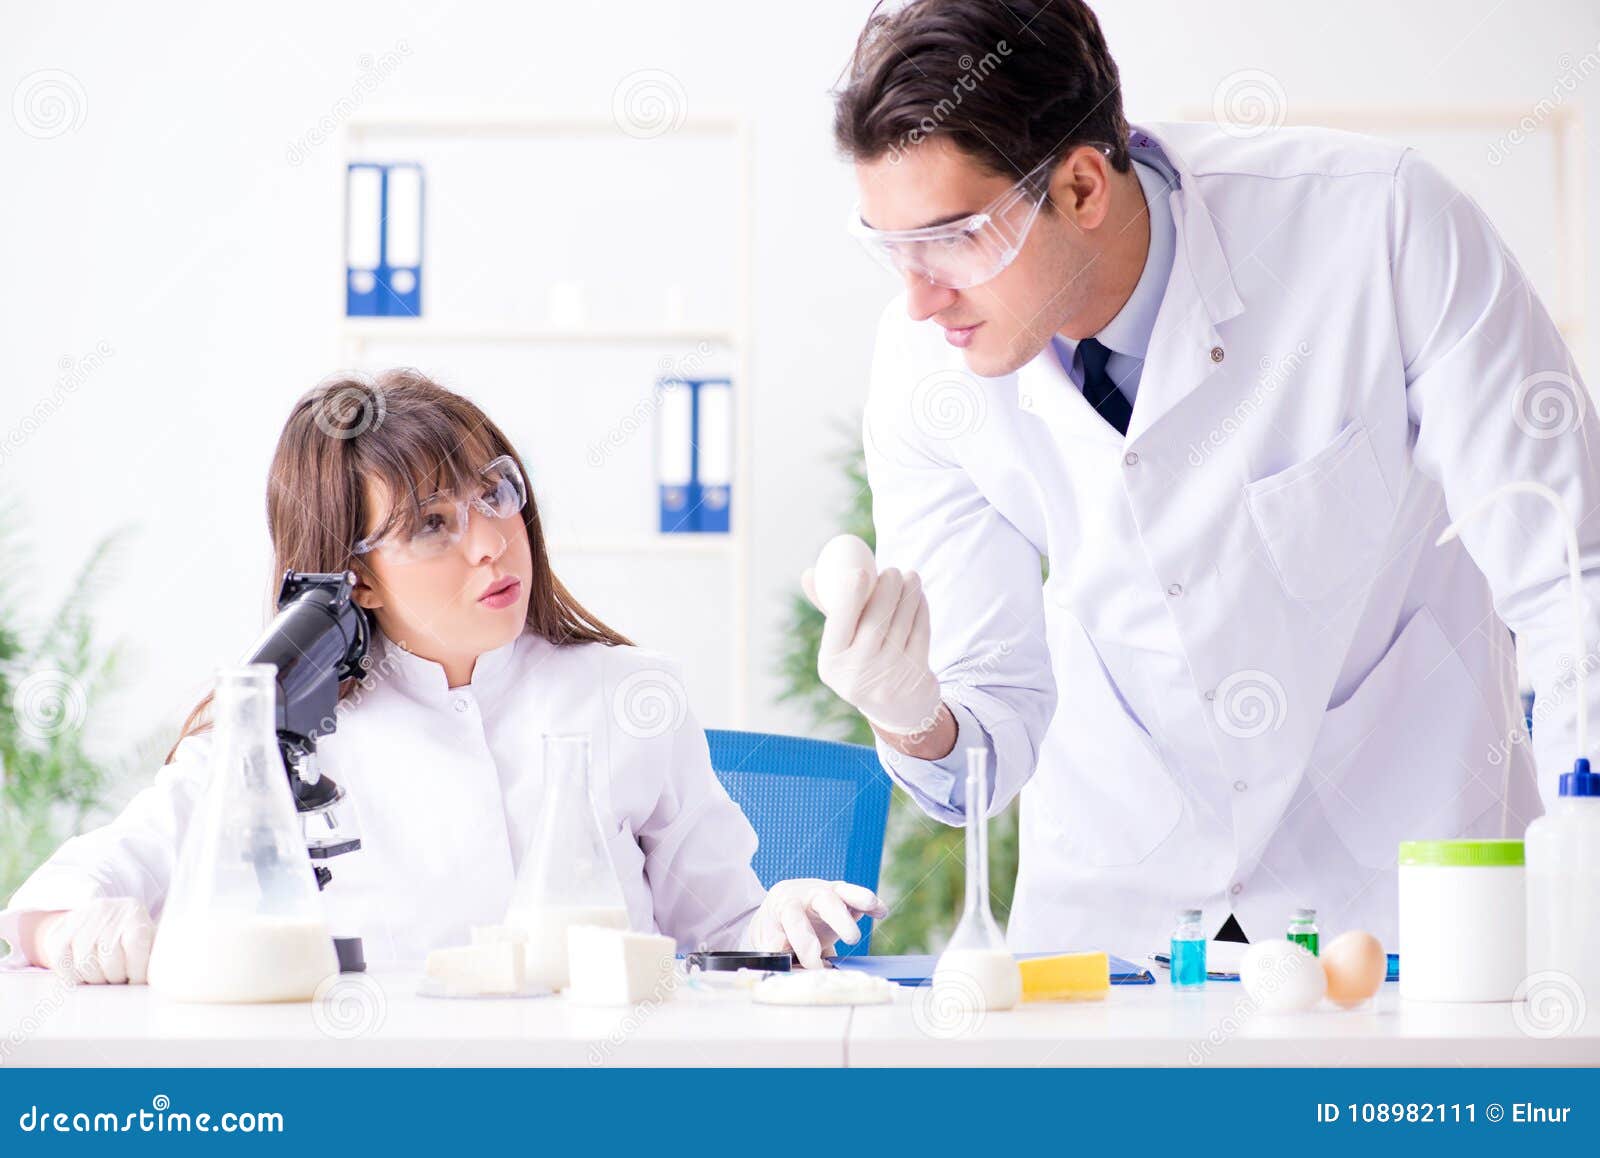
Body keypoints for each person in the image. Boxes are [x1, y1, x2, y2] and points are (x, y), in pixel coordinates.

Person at [809, 0, 1587, 956]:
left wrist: (1584, 849)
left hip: (1402, 896)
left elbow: (1568, 578)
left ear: (1083, 186)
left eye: (955, 239)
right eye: (892, 250)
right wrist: (913, 716)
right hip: (1120, 920)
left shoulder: (1379, 224)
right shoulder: (926, 366)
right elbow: (988, 741)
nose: (920, 299)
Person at [1, 369, 883, 982]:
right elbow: (54, 898)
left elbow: (721, 935)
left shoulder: (628, 696)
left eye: (495, 492)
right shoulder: (282, 732)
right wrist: (80, 929)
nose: (490, 539)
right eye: (430, 524)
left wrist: (775, 921)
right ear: (355, 580)